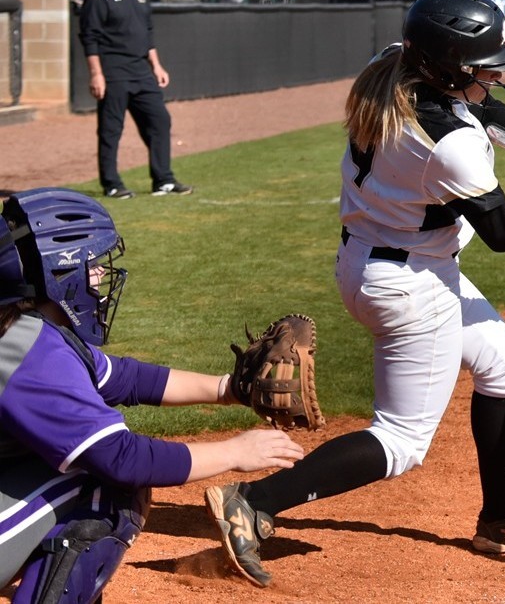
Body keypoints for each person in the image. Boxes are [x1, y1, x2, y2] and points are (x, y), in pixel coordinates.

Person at [203, 0, 505, 588]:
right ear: (450, 66)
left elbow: (490, 115)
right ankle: (252, 501)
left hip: (386, 263)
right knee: (402, 440)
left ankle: (501, 517)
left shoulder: (394, 68)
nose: (494, 74)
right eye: (482, 65)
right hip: (407, 285)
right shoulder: (449, 147)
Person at [0, 187, 304, 602]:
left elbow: (122, 378)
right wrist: (236, 452)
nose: (101, 275)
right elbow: (121, 459)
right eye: (92, 264)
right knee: (106, 487)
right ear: (59, 273)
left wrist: (229, 389)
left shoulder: (21, 329)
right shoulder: (30, 352)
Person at [79, 0, 194, 199]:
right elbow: (89, 36)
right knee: (111, 130)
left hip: (141, 71)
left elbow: (147, 31)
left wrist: (156, 66)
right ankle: (112, 184)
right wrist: (96, 74)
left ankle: (163, 180)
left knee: (160, 120)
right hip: (113, 71)